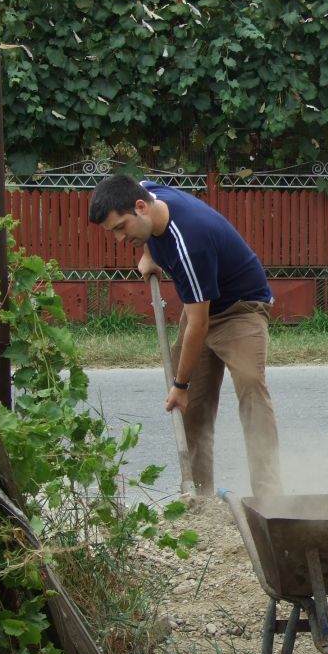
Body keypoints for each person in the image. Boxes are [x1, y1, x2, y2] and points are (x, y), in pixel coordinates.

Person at [88, 175, 283, 498]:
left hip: (241, 309)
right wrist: (148, 252)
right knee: (194, 406)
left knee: (251, 389)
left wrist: (180, 386)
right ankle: (200, 496)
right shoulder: (147, 194)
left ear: (140, 208)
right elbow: (144, 181)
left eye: (121, 228)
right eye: (114, 232)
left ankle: (270, 498)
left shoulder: (189, 241)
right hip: (202, 308)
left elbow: (199, 326)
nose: (120, 239)